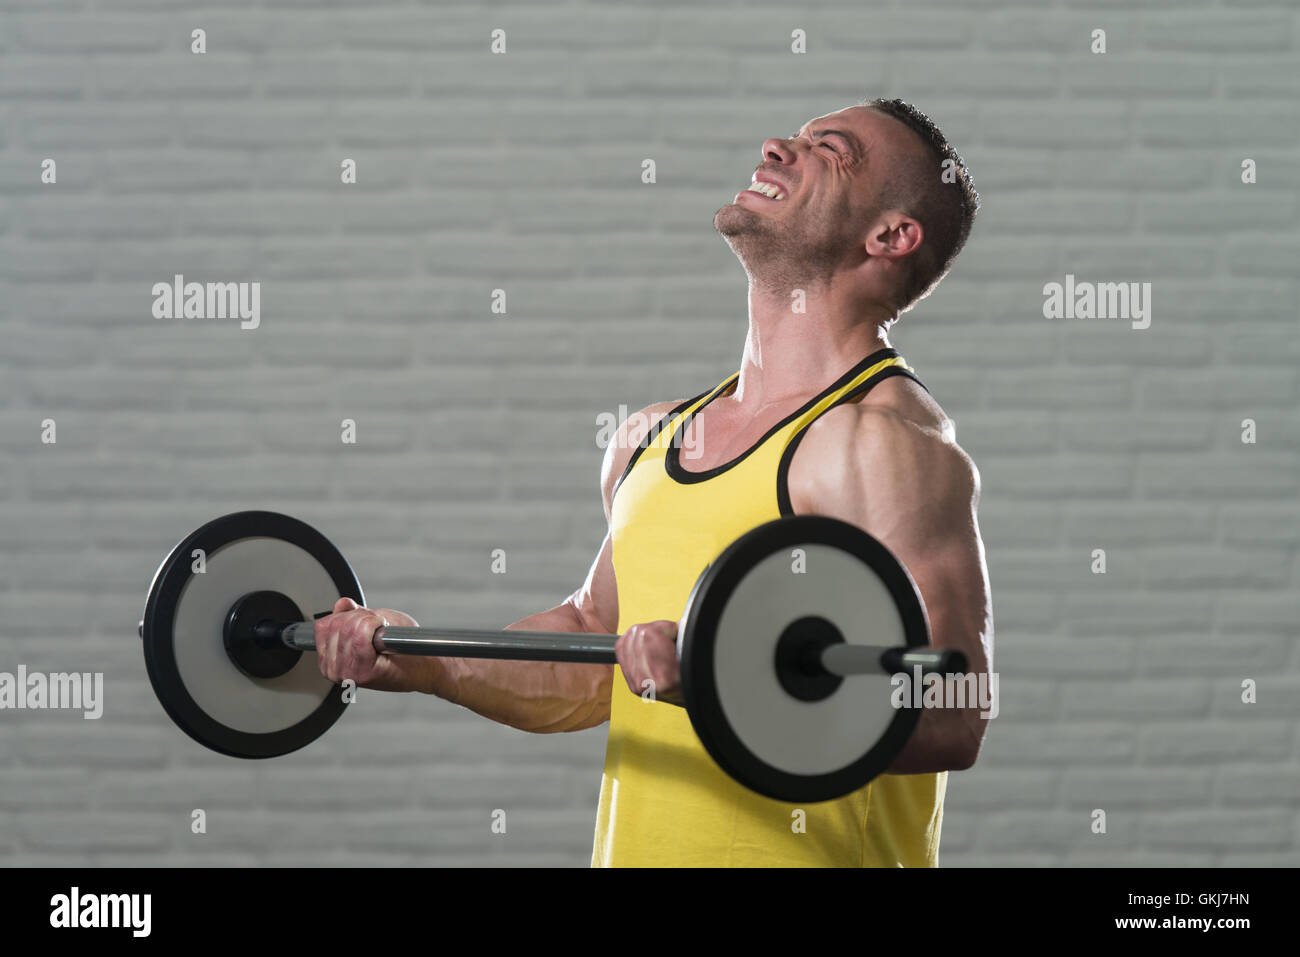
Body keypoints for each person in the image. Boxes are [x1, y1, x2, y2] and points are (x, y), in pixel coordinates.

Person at [313, 97, 993, 867]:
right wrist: (421, 660)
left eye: (828, 149)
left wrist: (725, 685)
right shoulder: (655, 437)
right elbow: (590, 648)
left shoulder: (886, 444)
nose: (776, 146)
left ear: (891, 235)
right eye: (792, 137)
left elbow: (956, 706)